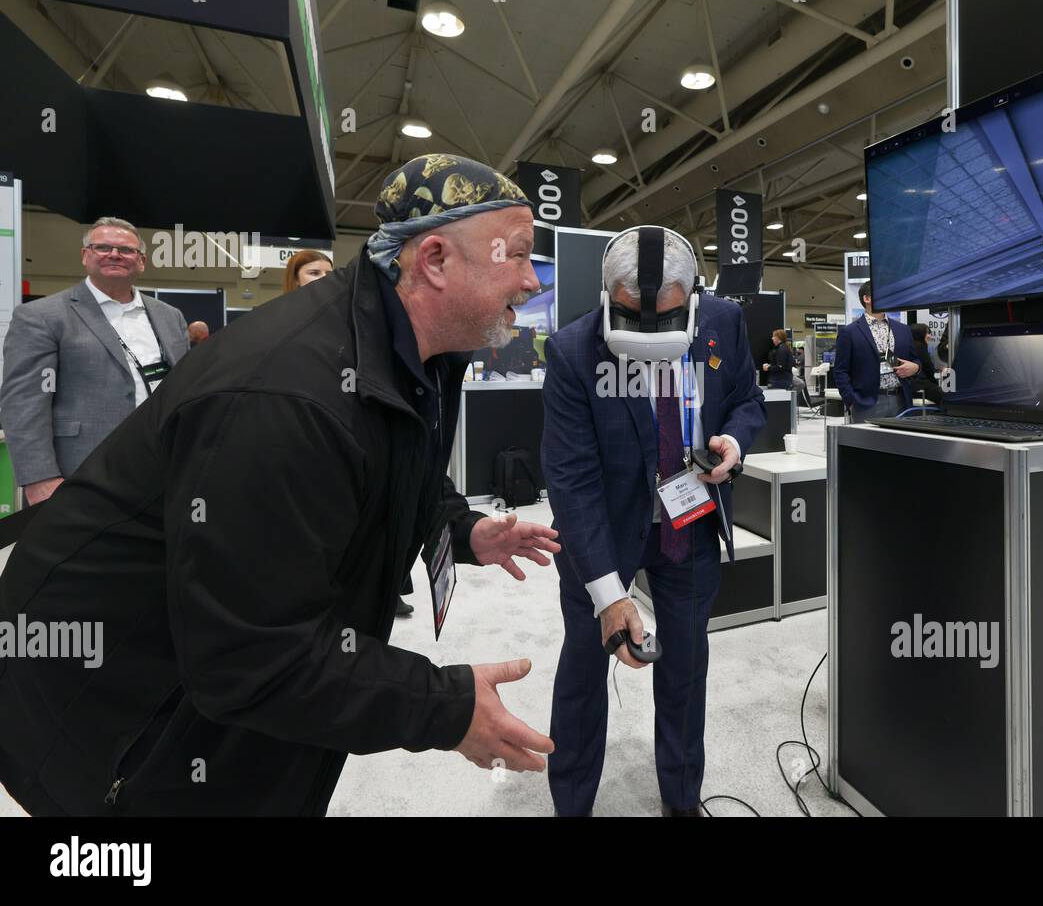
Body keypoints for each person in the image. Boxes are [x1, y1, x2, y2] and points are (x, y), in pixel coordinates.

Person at [0, 154, 560, 816]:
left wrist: (463, 527)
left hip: (226, 719)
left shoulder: (419, 353)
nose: (531, 281)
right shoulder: (288, 397)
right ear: (434, 261)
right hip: (123, 737)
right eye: (519, 255)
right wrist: (445, 708)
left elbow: (399, 457)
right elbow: (251, 656)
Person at [541, 226, 766, 817]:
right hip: (603, 536)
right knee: (585, 671)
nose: (644, 331)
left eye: (664, 318)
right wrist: (607, 593)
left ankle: (682, 801)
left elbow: (747, 398)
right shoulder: (571, 352)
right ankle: (571, 804)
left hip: (686, 528)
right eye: (628, 315)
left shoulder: (724, 323)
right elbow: (571, 481)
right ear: (606, 294)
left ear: (692, 298)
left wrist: (735, 443)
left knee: (686, 669)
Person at [0, 216, 189, 505]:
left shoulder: (169, 316)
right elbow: (24, 403)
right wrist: (39, 479)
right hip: (79, 473)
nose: (114, 254)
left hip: (162, 466)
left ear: (141, 261)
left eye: (126, 250)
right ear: (85, 256)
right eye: (102, 247)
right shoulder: (42, 316)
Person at [832, 283, 919, 422]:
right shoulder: (849, 332)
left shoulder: (903, 330)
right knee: (866, 443)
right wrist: (852, 401)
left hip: (901, 400)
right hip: (866, 403)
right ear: (866, 298)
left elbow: (916, 360)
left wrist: (916, 368)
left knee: (900, 443)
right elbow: (840, 371)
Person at [908, 322, 942, 403]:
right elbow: (929, 369)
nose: (929, 336)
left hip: (912, 386)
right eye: (927, 333)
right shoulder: (920, 347)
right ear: (919, 334)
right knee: (947, 397)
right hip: (920, 385)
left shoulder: (910, 346)